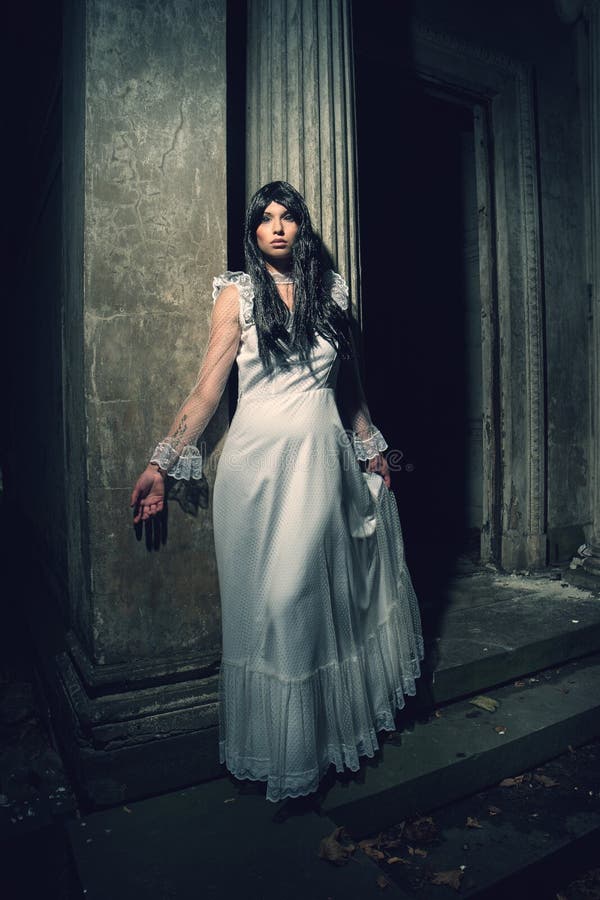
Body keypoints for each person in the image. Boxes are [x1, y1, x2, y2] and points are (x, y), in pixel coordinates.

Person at [130, 181, 424, 804]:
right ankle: (287, 755)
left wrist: (373, 448)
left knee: (301, 602)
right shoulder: (235, 294)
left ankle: (315, 746)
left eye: (288, 217)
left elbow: (351, 391)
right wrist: (164, 460)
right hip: (255, 468)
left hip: (321, 463)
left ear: (302, 227)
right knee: (269, 613)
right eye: (266, 219)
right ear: (253, 231)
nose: (278, 227)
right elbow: (209, 389)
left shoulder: (331, 292)